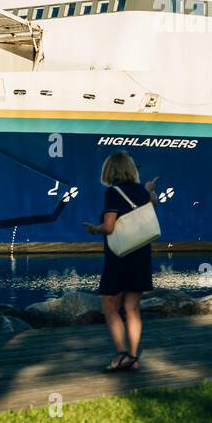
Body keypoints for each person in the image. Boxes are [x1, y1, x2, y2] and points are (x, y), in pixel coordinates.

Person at [85, 151, 159, 372]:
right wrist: (148, 190)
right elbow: (153, 204)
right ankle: (134, 357)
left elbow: (109, 227)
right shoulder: (141, 191)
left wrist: (93, 229)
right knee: (132, 307)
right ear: (130, 169)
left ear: (110, 171)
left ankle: (121, 353)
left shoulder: (112, 193)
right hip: (141, 254)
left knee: (109, 305)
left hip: (119, 256)